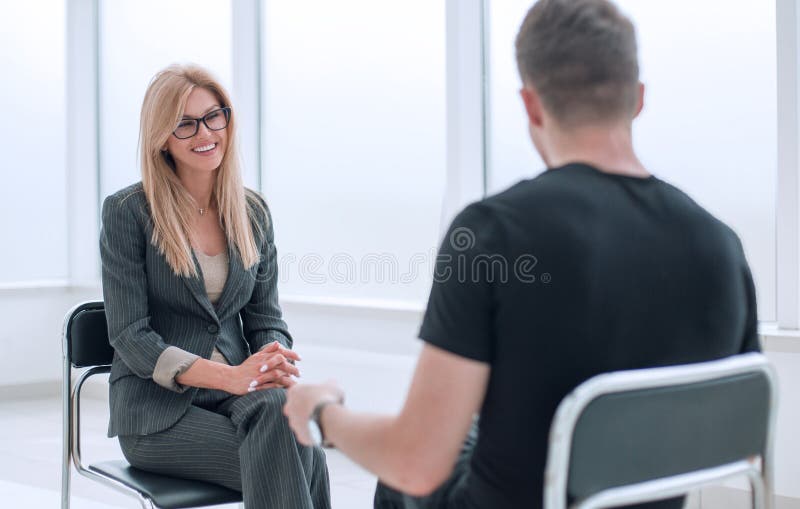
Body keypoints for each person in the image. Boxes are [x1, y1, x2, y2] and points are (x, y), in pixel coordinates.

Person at [282, 1, 760, 508]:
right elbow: (743, 440)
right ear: (637, 99)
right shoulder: (721, 246)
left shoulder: (492, 233)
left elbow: (415, 464)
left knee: (401, 479)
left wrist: (323, 414)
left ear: (532, 105)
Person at [99, 64, 330, 509]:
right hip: (156, 414)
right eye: (185, 124)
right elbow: (130, 336)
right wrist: (232, 377)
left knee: (289, 429)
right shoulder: (128, 211)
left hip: (238, 397)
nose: (204, 132)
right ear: (162, 137)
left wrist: (272, 361)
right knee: (302, 459)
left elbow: (267, 319)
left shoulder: (253, 212)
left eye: (213, 116)